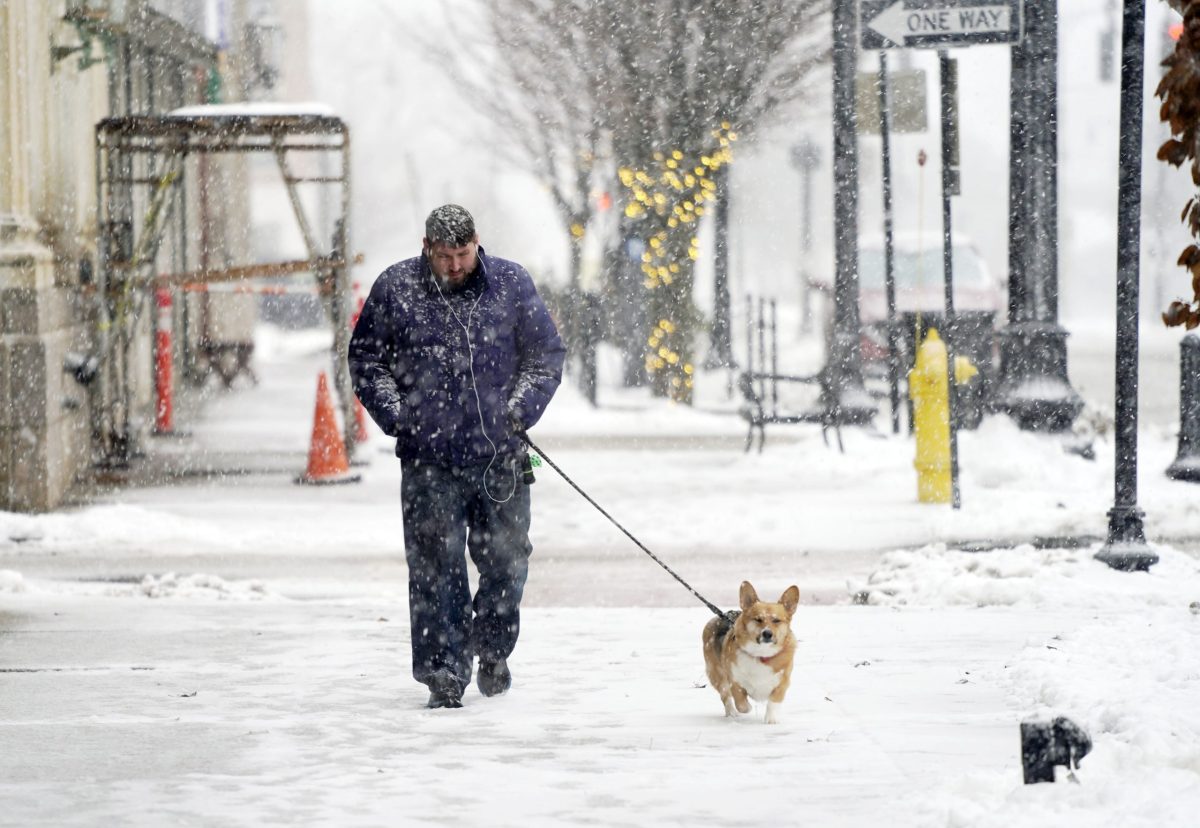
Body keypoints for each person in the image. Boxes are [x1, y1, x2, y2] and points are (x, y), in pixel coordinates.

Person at [349, 205, 565, 709]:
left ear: (477, 244)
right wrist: (400, 416)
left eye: (462, 255)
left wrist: (520, 409)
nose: (453, 266)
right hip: (429, 461)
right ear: (426, 247)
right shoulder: (396, 288)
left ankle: (491, 648)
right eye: (443, 256)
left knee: (508, 562)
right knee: (434, 569)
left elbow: (545, 355)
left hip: (500, 456)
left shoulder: (510, 284)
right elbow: (366, 361)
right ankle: (444, 674)